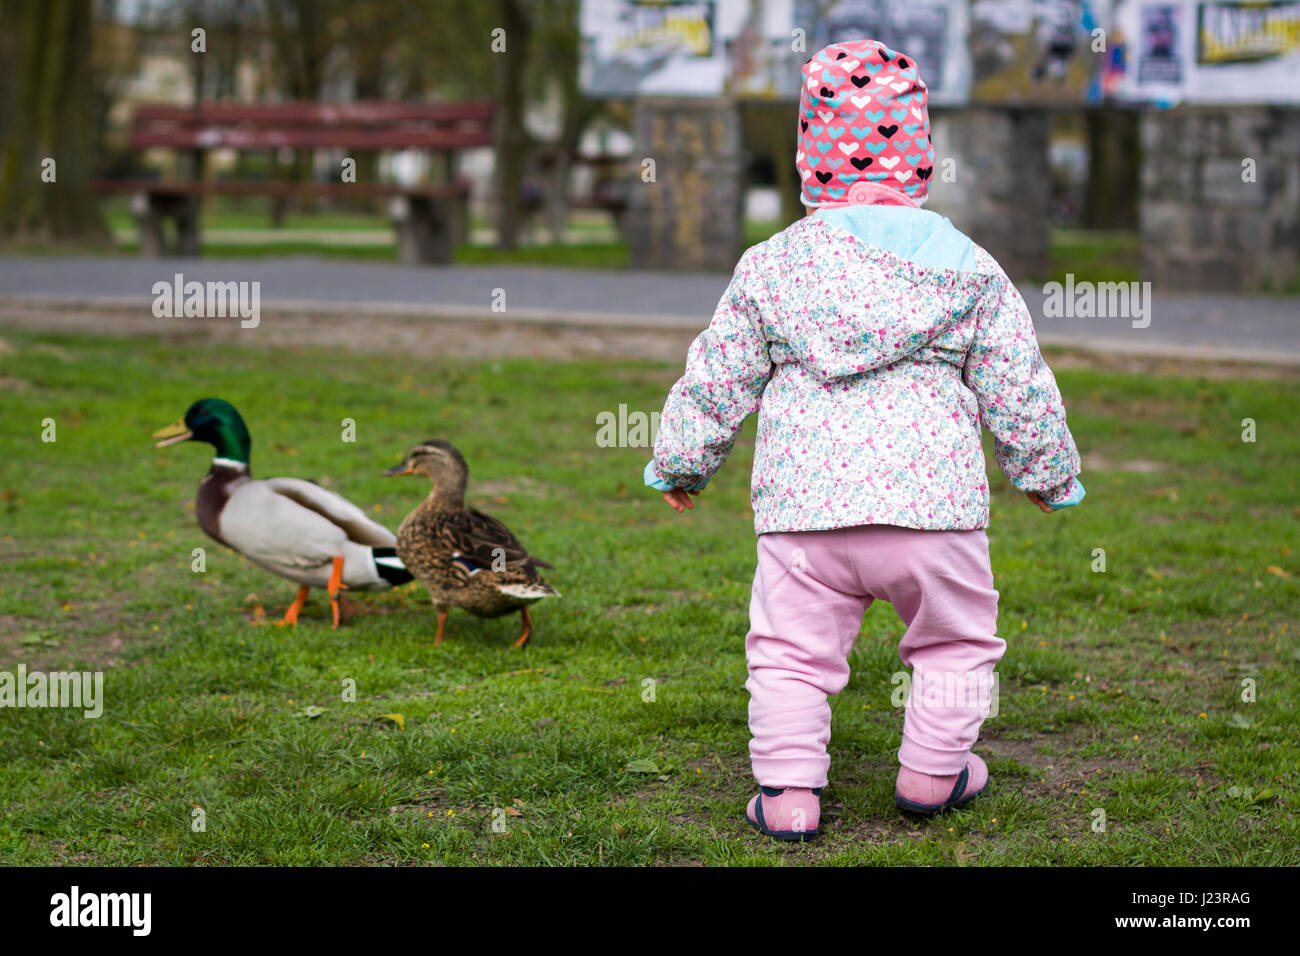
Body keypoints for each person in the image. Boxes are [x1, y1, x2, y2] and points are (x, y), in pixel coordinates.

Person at [643, 38, 1084, 841]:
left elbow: (719, 372)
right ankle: (929, 776)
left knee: (788, 653)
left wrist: (683, 458)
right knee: (954, 642)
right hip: (932, 511)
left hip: (805, 511)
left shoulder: (772, 265)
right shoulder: (969, 267)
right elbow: (1018, 382)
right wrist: (1046, 473)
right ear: (920, 159)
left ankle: (788, 797)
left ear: (811, 157)